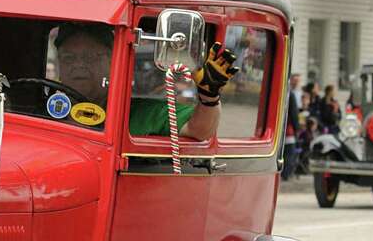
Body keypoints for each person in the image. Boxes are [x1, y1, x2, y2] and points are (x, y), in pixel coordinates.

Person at [56, 22, 237, 140]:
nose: (78, 65)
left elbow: (200, 130)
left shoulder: (145, 114)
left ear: (113, 62)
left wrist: (209, 96)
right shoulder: (40, 109)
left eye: (90, 57)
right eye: (68, 58)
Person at [281, 73, 302, 180]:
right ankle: (286, 173)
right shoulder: (291, 95)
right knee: (290, 152)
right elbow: (294, 113)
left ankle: (283, 173)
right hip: (288, 129)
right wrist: (297, 128)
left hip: (281, 128)